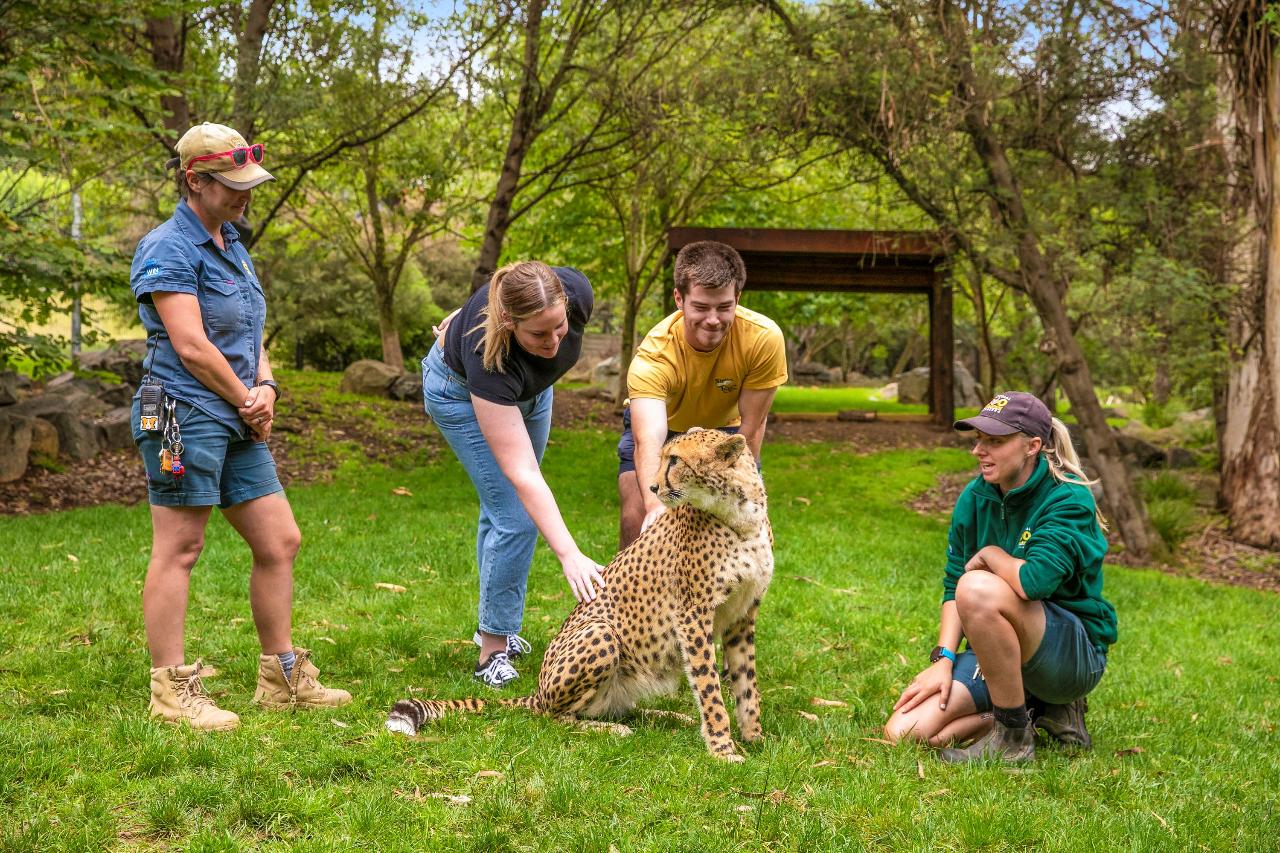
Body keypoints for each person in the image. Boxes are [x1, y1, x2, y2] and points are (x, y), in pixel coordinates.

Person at [130, 123, 350, 731]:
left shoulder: (231, 243)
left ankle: (281, 679)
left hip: (235, 415)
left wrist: (267, 388)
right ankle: (171, 692)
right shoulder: (167, 247)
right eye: (233, 185)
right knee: (180, 547)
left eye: (250, 184)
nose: (245, 195)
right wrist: (246, 399)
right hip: (181, 414)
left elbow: (250, 335)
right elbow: (191, 345)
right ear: (194, 181)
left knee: (279, 541)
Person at [884, 392, 1117, 763]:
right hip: (996, 654)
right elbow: (953, 584)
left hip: (1070, 659)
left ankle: (1013, 740)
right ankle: (1025, 715)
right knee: (904, 732)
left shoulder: (1067, 498)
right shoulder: (975, 498)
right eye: (978, 439)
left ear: (1032, 446)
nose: (979, 450)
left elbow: (1034, 582)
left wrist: (991, 555)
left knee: (977, 587)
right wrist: (943, 659)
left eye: (994, 441)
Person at [423, 261, 605, 688]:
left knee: (504, 509)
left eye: (559, 326)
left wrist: (464, 309)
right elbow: (523, 474)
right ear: (508, 321)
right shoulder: (489, 359)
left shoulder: (574, 291)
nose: (554, 341)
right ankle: (492, 651)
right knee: (515, 513)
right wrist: (570, 554)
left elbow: (524, 277)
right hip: (458, 394)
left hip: (533, 393)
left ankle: (493, 624)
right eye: (538, 334)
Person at [617, 241, 788, 548]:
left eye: (724, 307)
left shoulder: (763, 338)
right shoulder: (655, 355)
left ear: (737, 298)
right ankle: (630, 578)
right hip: (665, 428)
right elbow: (649, 439)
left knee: (731, 529)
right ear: (679, 299)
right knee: (637, 514)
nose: (713, 319)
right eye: (700, 307)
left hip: (727, 432)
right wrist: (656, 508)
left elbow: (752, 426)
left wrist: (732, 487)